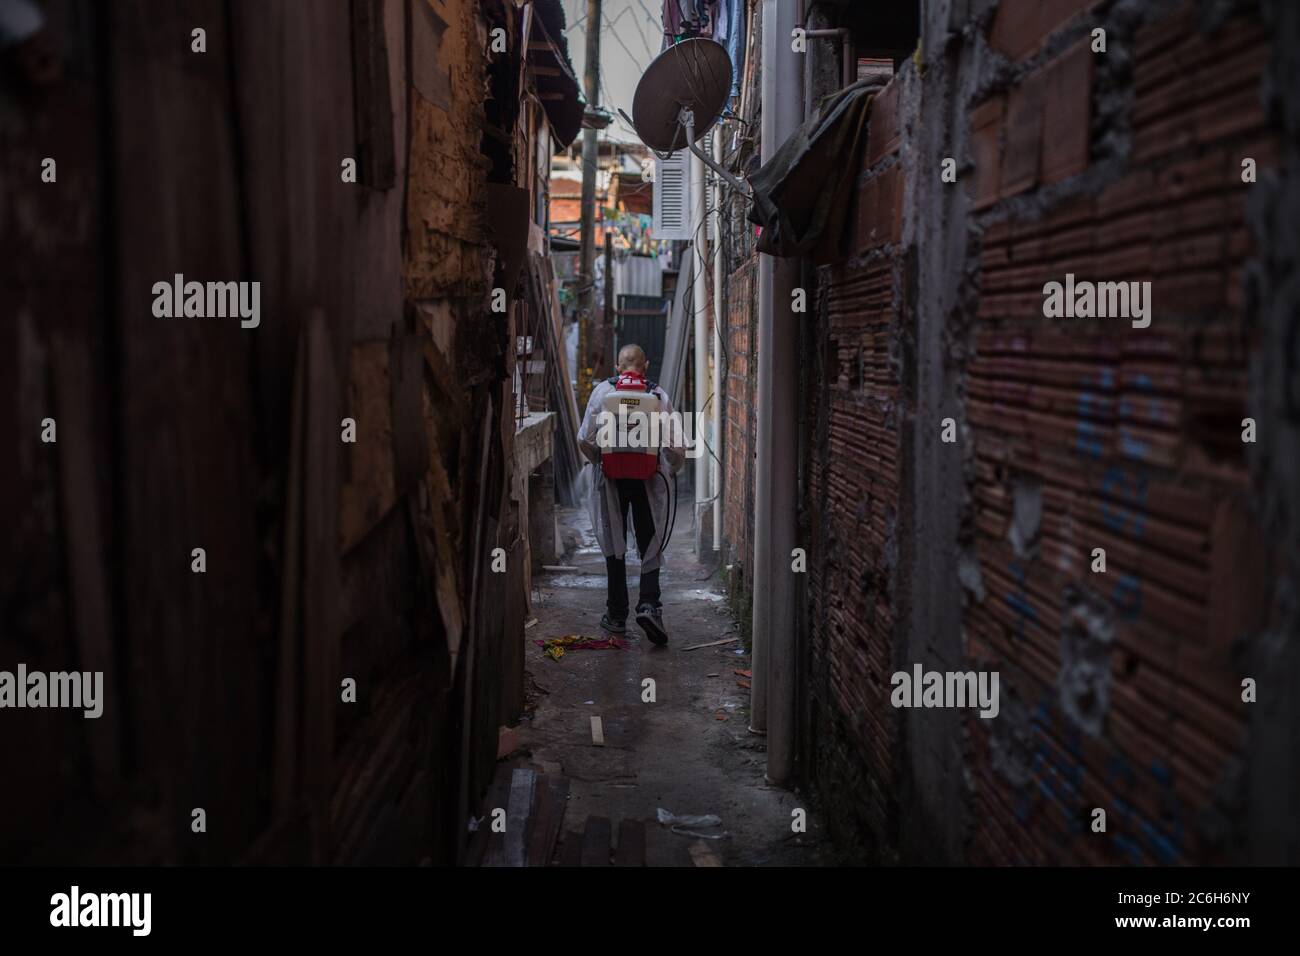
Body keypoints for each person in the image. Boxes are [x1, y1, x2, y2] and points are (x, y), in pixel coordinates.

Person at [577, 344, 685, 645]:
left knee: (615, 544)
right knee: (650, 541)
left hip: (611, 480)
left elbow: (584, 438)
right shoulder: (659, 396)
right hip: (648, 481)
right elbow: (677, 446)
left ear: (617, 366)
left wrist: (599, 458)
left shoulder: (602, 393)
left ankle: (616, 614)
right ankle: (649, 605)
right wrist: (669, 467)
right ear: (645, 365)